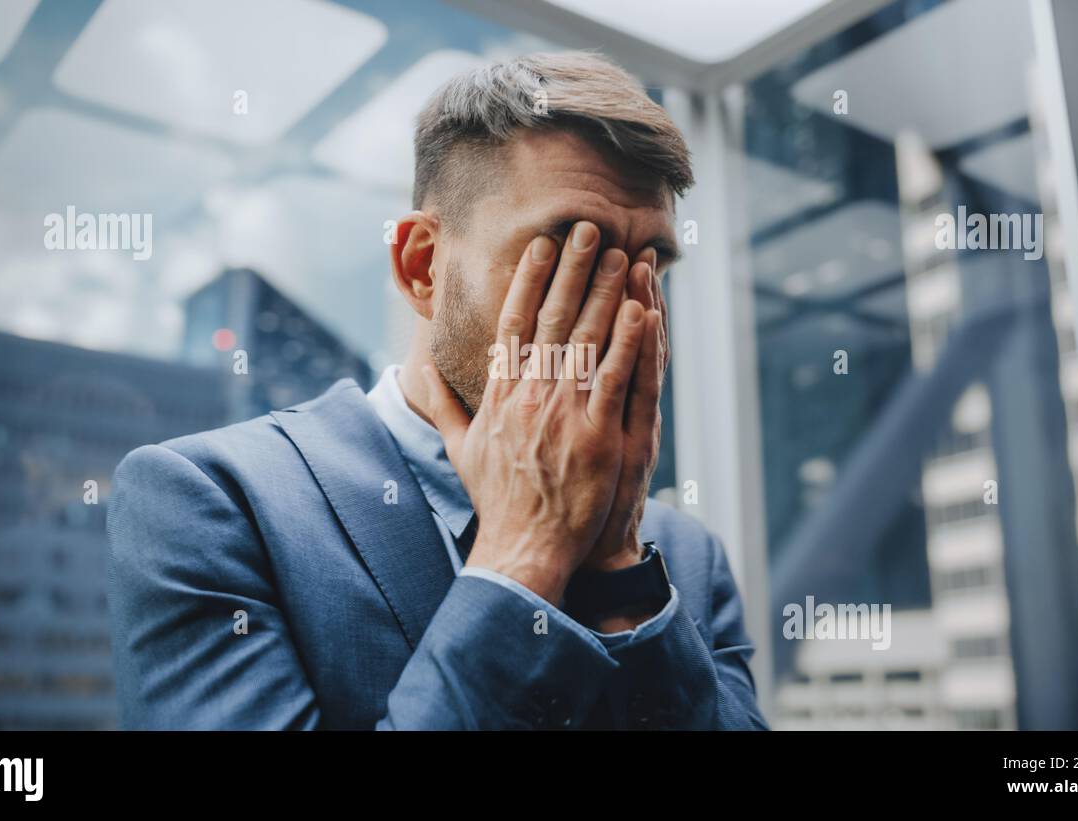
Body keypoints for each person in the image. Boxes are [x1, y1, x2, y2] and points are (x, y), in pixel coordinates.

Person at [107, 52, 767, 730]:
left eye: (648, 269)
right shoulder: (210, 503)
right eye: (573, 255)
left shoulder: (686, 560)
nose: (620, 317)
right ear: (421, 266)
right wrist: (526, 557)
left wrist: (619, 571)